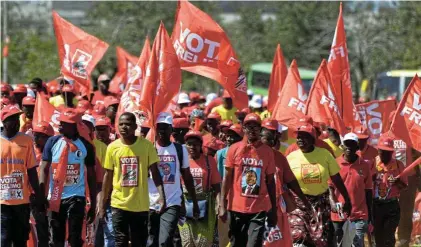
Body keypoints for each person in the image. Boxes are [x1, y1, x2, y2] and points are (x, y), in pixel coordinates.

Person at [98, 112, 166, 247]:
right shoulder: (112, 147)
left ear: (135, 126)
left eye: (128, 124)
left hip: (140, 205)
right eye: (121, 124)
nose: (124, 127)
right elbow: (108, 176)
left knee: (139, 242)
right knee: (120, 241)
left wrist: (162, 197)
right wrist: (102, 203)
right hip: (118, 203)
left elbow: (155, 173)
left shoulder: (146, 146)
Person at [286, 124, 351, 247]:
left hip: (320, 204)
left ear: (313, 140)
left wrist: (347, 199)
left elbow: (336, 178)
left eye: (304, 136)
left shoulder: (325, 154)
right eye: (298, 137)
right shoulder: (291, 157)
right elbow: (284, 180)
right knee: (298, 235)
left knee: (320, 240)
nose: (300, 139)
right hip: (298, 204)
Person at [39, 108, 97, 247]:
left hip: (76, 197)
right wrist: (41, 196)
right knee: (56, 239)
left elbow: (91, 175)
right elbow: (44, 169)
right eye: (60, 122)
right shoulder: (52, 142)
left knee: (75, 238)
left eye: (64, 123)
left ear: (75, 126)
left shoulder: (86, 146)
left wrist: (94, 205)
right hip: (55, 198)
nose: (60, 125)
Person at [220, 113, 278, 247]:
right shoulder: (234, 149)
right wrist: (222, 205)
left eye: (256, 127)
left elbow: (270, 181)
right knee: (237, 243)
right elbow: (227, 178)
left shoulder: (267, 152)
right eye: (248, 126)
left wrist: (273, 210)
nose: (252, 130)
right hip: (236, 208)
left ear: (260, 130)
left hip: (258, 209)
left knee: (254, 244)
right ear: (244, 128)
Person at [147, 112, 199, 247]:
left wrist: (194, 202)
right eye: (159, 127)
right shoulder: (149, 148)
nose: (162, 131)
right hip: (150, 202)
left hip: (172, 202)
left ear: (171, 129)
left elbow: (187, 177)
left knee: (164, 241)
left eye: (165, 127)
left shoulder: (179, 149)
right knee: (151, 241)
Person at [260, 119, 311, 247]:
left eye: (274, 135)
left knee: (277, 241)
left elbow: (291, 181)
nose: (271, 138)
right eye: (268, 135)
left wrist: (304, 200)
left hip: (277, 208)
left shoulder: (279, 157)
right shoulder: (251, 155)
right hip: (257, 207)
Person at [1, 105, 46, 247]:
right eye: (12, 119)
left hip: (22, 202)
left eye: (17, 118)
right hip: (2, 203)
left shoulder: (26, 141)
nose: (16, 122)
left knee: (20, 240)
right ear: (3, 121)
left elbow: (32, 170)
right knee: (4, 239)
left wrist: (39, 196)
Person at [329, 133, 373, 247]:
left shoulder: (364, 165)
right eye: (346, 144)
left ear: (357, 147)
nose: (349, 147)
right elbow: (330, 187)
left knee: (356, 243)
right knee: (340, 244)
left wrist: (370, 215)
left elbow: (368, 191)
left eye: (352, 144)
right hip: (339, 214)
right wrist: (333, 203)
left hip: (359, 214)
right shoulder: (335, 163)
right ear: (342, 146)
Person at [179, 130, 222, 246]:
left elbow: (217, 186)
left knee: (203, 242)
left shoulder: (209, 161)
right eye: (189, 144)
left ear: (200, 145)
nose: (192, 147)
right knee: (187, 242)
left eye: (195, 144)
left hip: (206, 207)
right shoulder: (182, 160)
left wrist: (219, 205)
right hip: (186, 204)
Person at [373, 134, 408, 247]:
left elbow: (404, 186)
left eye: (388, 152)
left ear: (392, 152)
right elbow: (365, 184)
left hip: (392, 205)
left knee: (388, 237)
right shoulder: (372, 164)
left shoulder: (399, 165)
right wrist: (372, 178)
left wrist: (397, 182)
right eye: (382, 151)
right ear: (378, 150)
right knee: (378, 239)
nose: (385, 154)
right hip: (376, 206)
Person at [32, 121, 54, 247]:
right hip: (36, 203)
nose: (36, 139)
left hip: (53, 201)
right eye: (35, 135)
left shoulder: (57, 154)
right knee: (40, 238)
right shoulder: (32, 153)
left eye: (40, 136)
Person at [93, 116, 114, 247]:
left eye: (103, 129)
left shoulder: (116, 146)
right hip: (96, 195)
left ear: (109, 129)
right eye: (97, 129)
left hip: (113, 196)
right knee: (96, 233)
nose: (100, 132)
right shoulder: (92, 147)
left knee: (111, 233)